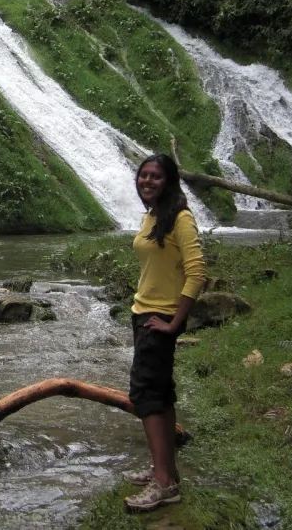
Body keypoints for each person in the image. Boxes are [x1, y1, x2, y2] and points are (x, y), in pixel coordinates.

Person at [123, 153, 206, 512]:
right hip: (144, 313)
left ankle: (163, 484)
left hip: (160, 317)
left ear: (169, 181)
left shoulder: (181, 219)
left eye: (156, 176)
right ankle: (165, 470)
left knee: (146, 396)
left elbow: (197, 272)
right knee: (161, 393)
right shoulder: (153, 215)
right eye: (144, 175)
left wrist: (174, 323)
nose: (148, 181)